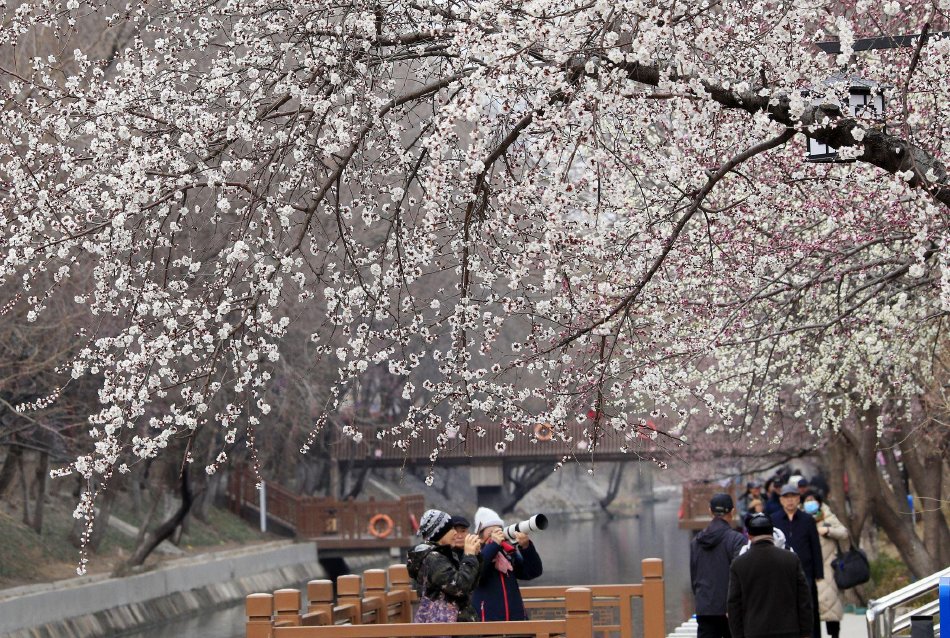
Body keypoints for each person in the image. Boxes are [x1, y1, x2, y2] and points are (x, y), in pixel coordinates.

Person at [727, 513, 813, 638]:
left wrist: (738, 635)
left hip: (754, 631)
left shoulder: (739, 564)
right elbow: (803, 598)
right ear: (772, 534)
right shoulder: (791, 559)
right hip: (789, 629)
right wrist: (806, 631)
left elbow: (734, 604)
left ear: (749, 536)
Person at [407, 509, 482, 626]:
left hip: (455, 624)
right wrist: (469, 556)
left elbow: (469, 586)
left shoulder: (444, 555)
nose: (455, 533)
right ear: (439, 532)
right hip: (448, 627)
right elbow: (459, 587)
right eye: (451, 529)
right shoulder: (433, 559)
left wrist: (475, 556)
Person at [471, 506, 543, 621]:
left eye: (499, 531)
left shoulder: (507, 553)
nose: (496, 535)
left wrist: (526, 547)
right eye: (491, 532)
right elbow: (476, 574)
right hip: (488, 624)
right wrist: (493, 545)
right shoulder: (474, 553)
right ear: (480, 535)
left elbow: (533, 572)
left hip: (516, 622)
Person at [690, 493, 746, 638]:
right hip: (729, 608)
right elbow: (739, 575)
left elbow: (694, 577)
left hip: (705, 606)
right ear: (732, 511)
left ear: (710, 511)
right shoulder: (737, 540)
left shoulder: (696, 541)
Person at [771, 484, 823, 638]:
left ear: (798, 499)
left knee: (808, 605)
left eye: (793, 497)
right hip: (781, 571)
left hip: (805, 569)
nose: (790, 501)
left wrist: (819, 572)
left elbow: (815, 546)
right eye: (786, 497)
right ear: (781, 500)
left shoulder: (807, 520)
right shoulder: (774, 519)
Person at [803, 491, 849, 638]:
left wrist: (828, 530)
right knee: (811, 610)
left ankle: (834, 634)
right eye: (807, 500)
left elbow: (844, 533)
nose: (810, 503)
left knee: (832, 607)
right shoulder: (801, 519)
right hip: (809, 568)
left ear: (819, 502)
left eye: (812, 500)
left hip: (828, 568)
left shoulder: (827, 516)